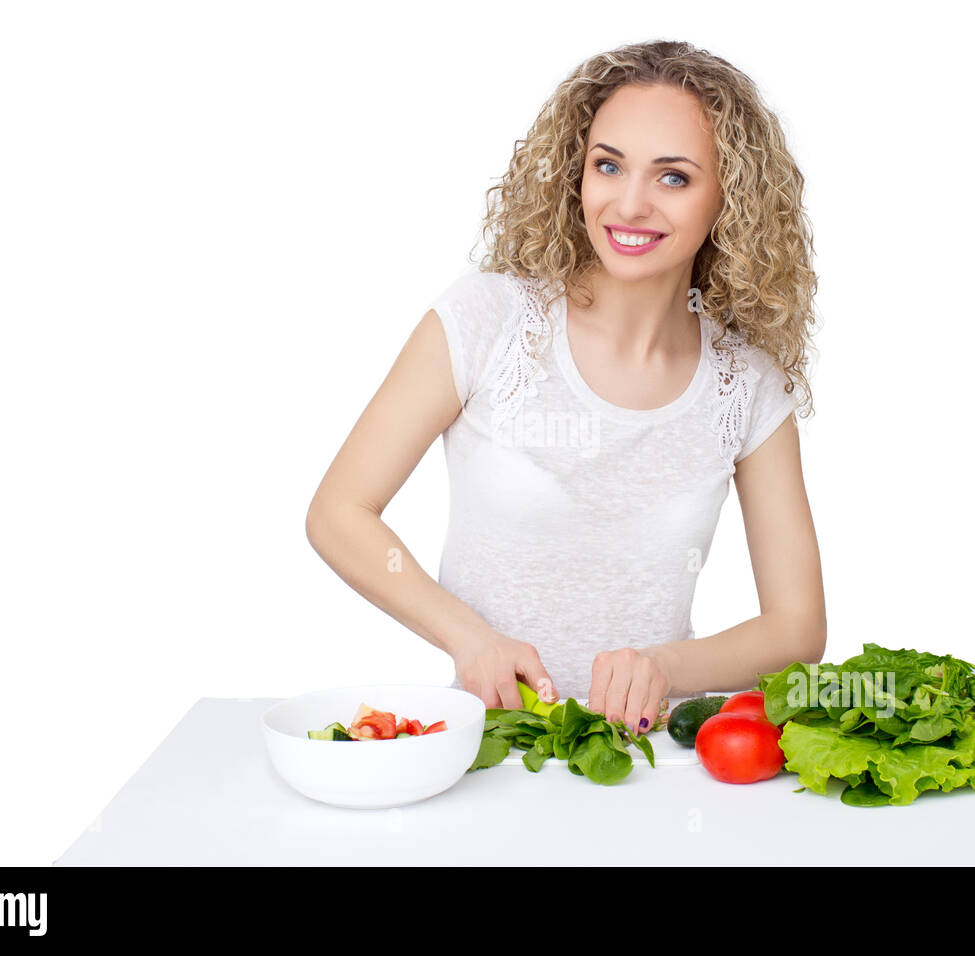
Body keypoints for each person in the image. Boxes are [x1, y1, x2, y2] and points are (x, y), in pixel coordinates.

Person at [305, 39, 826, 735]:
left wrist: (667, 668)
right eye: (608, 166)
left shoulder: (747, 386)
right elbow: (340, 512)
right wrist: (470, 637)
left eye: (673, 178)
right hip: (483, 746)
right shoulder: (487, 320)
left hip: (642, 759)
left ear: (731, 198)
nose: (630, 204)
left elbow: (797, 628)